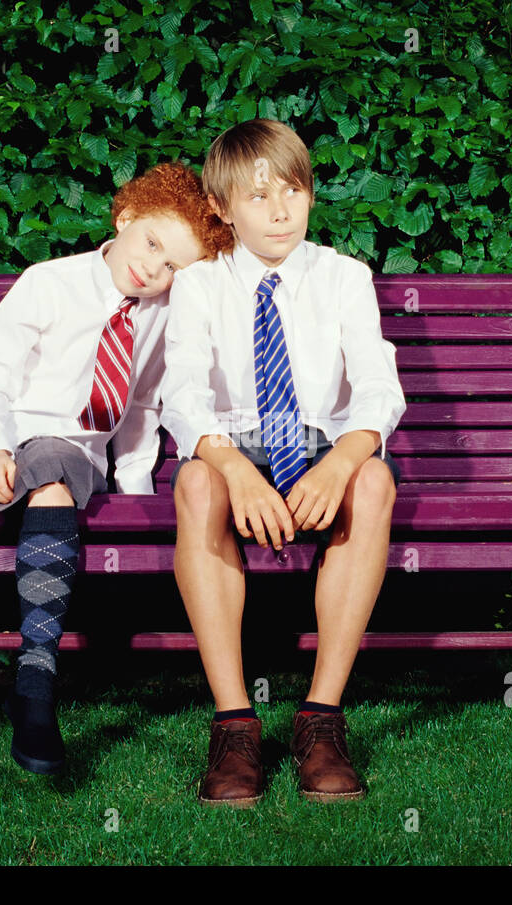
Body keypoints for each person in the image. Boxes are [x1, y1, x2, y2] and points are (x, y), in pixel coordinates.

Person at [0, 162, 234, 786]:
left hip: (64, 444)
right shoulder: (48, 282)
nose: (154, 270)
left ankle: (35, 685)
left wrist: (133, 489)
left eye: (173, 268)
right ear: (125, 216)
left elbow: (140, 408)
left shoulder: (161, 315)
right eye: (152, 244)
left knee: (54, 469)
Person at [160, 120, 407, 806]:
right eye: (259, 196)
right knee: (195, 481)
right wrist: (235, 468)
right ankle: (234, 724)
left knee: (377, 479)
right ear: (221, 207)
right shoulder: (201, 283)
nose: (280, 211)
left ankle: (320, 720)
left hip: (319, 442)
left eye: (293, 191)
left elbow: (380, 388)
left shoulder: (343, 277)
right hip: (235, 446)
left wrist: (343, 461)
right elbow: (180, 393)